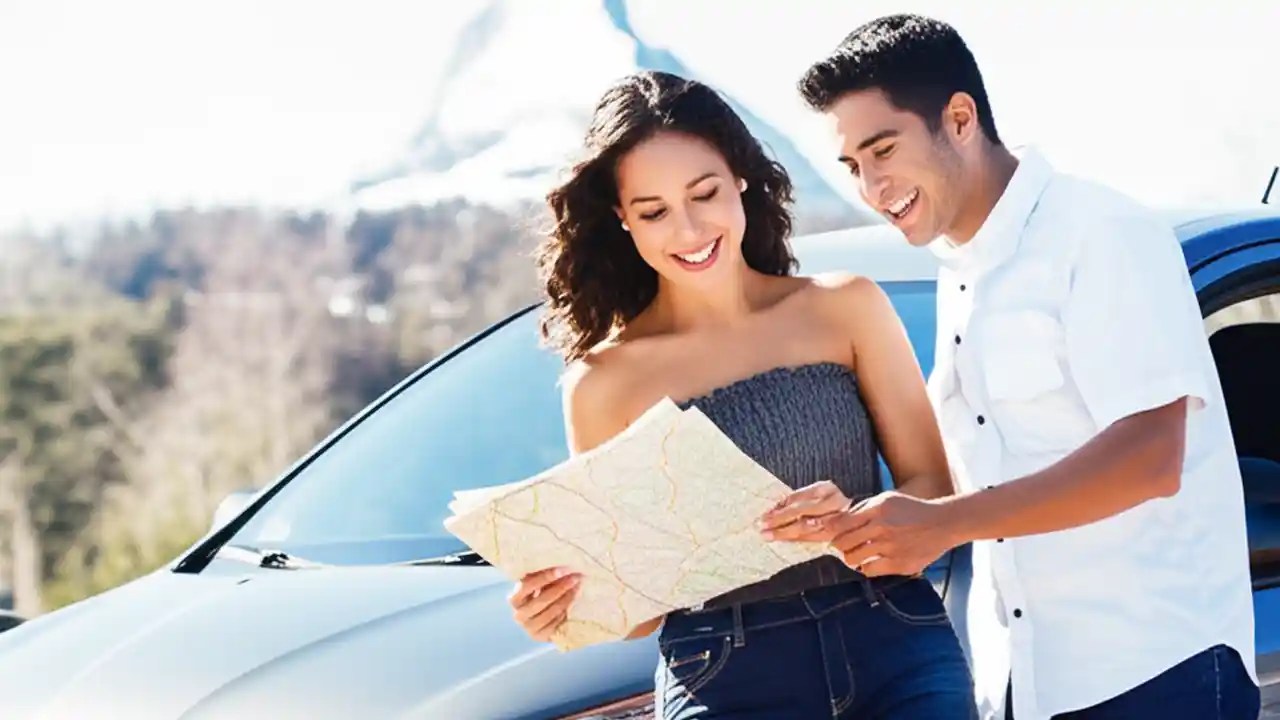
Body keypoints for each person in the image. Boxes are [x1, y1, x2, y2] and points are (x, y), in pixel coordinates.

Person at [788, 13, 1260, 720]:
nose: (872, 186)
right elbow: (978, 477)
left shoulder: (1099, 233)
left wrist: (945, 524)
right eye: (853, 167)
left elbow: (1150, 457)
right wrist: (853, 516)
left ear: (958, 118)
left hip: (1158, 676)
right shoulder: (960, 274)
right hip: (1024, 686)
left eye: (883, 149)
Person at [510, 69, 977, 719]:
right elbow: (639, 609)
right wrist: (568, 608)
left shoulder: (844, 308)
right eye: (654, 212)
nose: (690, 229)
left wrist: (855, 519)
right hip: (722, 674)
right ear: (621, 217)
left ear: (741, 180)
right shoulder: (603, 385)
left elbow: (934, 491)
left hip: (892, 639)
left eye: (705, 194)